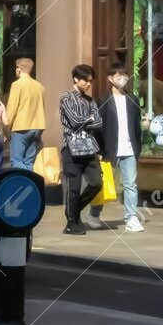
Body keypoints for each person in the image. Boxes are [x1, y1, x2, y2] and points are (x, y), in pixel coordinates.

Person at [58, 63, 104, 235]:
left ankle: (74, 211)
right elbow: (75, 121)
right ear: (76, 79)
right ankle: (71, 223)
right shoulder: (66, 98)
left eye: (91, 81)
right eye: (85, 80)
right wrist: (89, 119)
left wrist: (88, 120)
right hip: (71, 148)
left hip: (89, 147)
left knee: (96, 183)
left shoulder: (90, 101)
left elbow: (99, 123)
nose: (88, 84)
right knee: (73, 188)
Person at [99, 61, 144, 232]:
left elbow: (137, 126)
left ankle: (131, 217)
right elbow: (99, 127)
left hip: (129, 148)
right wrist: (99, 150)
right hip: (110, 148)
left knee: (130, 184)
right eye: (118, 76)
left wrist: (138, 146)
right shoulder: (104, 101)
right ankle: (94, 213)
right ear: (110, 78)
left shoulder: (132, 99)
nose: (123, 78)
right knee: (104, 184)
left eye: (124, 75)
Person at [5, 57, 46, 172]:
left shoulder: (17, 85)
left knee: (17, 161)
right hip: (38, 127)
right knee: (29, 162)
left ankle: (22, 181)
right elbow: (42, 107)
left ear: (18, 69)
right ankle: (29, 182)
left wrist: (6, 128)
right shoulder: (40, 86)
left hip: (21, 128)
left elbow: (11, 108)